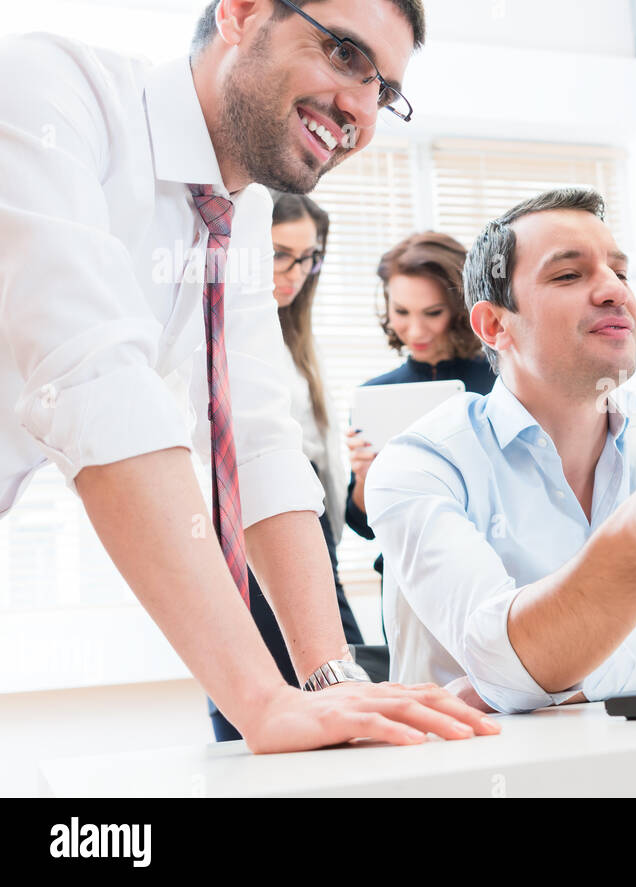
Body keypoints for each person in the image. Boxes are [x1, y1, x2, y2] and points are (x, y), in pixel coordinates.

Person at [0, 0, 497, 753]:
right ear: (239, 13)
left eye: (384, 91)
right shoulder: (50, 89)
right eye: (343, 55)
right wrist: (262, 701)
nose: (360, 111)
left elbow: (258, 436)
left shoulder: (244, 211)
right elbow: (93, 379)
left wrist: (333, 679)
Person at [364, 188, 636, 713]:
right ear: (494, 324)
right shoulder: (421, 463)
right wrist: (635, 545)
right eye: (569, 275)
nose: (614, 292)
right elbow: (501, 657)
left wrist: (534, 682)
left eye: (620, 272)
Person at [206, 190, 367, 741]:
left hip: (315, 545)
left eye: (307, 257)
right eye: (279, 254)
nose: (295, 272)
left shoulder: (292, 333)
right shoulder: (214, 329)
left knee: (347, 708)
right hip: (252, 547)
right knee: (268, 716)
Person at [344, 231, 494, 575]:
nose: (414, 331)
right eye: (401, 311)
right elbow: (363, 526)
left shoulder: (505, 384)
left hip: (488, 571)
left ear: (460, 308)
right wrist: (367, 477)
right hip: (403, 579)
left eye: (432, 312)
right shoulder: (375, 394)